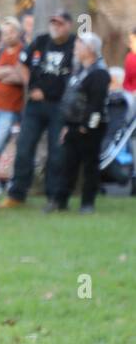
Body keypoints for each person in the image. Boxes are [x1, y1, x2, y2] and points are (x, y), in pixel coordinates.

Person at [0, 10, 75, 209]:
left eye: (60, 24)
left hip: (60, 106)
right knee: (24, 147)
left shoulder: (75, 45)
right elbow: (22, 65)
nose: (56, 27)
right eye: (53, 23)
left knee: (56, 152)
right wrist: (31, 87)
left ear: (68, 25)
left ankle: (54, 197)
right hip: (35, 106)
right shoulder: (41, 41)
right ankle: (17, 194)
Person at [54, 32, 110, 213]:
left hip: (90, 128)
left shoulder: (99, 73)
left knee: (89, 165)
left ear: (90, 49)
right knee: (68, 164)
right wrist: (66, 125)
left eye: (79, 45)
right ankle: (60, 201)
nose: (75, 48)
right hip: (72, 125)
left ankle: (87, 203)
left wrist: (87, 127)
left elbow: (97, 104)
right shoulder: (78, 70)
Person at [0, 16, 25, 187]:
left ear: (18, 33)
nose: (8, 36)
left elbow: (22, 77)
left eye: (11, 32)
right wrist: (8, 70)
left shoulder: (23, 51)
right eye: (5, 33)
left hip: (10, 108)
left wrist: (2, 73)